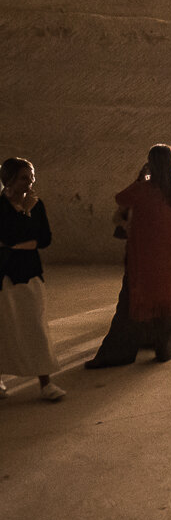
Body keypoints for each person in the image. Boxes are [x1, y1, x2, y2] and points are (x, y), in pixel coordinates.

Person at [86, 145, 171, 368]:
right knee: (166, 292)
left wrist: (141, 178)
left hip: (144, 249)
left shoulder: (142, 189)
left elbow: (121, 198)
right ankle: (165, 346)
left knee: (136, 292)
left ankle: (123, 349)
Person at [0, 157, 64, 400]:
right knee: (4, 329)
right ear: (9, 180)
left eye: (32, 177)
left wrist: (14, 244)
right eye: (24, 178)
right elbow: (8, 235)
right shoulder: (3, 206)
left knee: (36, 328)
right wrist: (23, 217)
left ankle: (45, 383)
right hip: (4, 275)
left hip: (30, 273)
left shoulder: (37, 205)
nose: (30, 183)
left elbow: (45, 239)